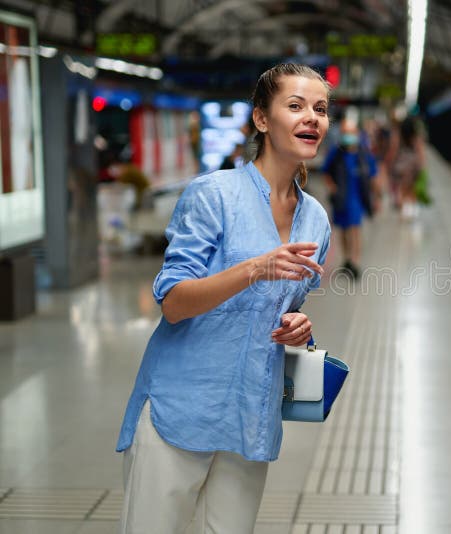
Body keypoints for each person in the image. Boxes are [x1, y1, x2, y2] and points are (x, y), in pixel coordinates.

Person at [115, 63, 332, 533]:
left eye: (320, 108)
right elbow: (173, 301)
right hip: (183, 405)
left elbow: (285, 307)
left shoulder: (316, 220)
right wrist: (256, 268)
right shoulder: (213, 195)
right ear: (260, 119)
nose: (311, 117)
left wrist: (298, 327)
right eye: (295, 106)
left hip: (251, 411)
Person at [322, 120, 377, 279]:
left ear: (357, 134)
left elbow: (372, 175)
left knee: (354, 229)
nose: (347, 136)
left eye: (350, 132)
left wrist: (376, 196)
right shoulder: (336, 153)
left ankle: (355, 261)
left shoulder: (363, 154)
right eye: (345, 132)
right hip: (341, 199)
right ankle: (347, 259)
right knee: (344, 230)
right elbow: (326, 171)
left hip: (357, 199)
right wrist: (332, 187)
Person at [385, 115, 426, 219]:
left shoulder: (397, 136)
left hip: (400, 168)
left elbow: (392, 152)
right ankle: (411, 210)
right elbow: (421, 153)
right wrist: (422, 167)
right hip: (413, 168)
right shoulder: (416, 137)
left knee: (401, 190)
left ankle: (403, 212)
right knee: (411, 190)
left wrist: (388, 165)